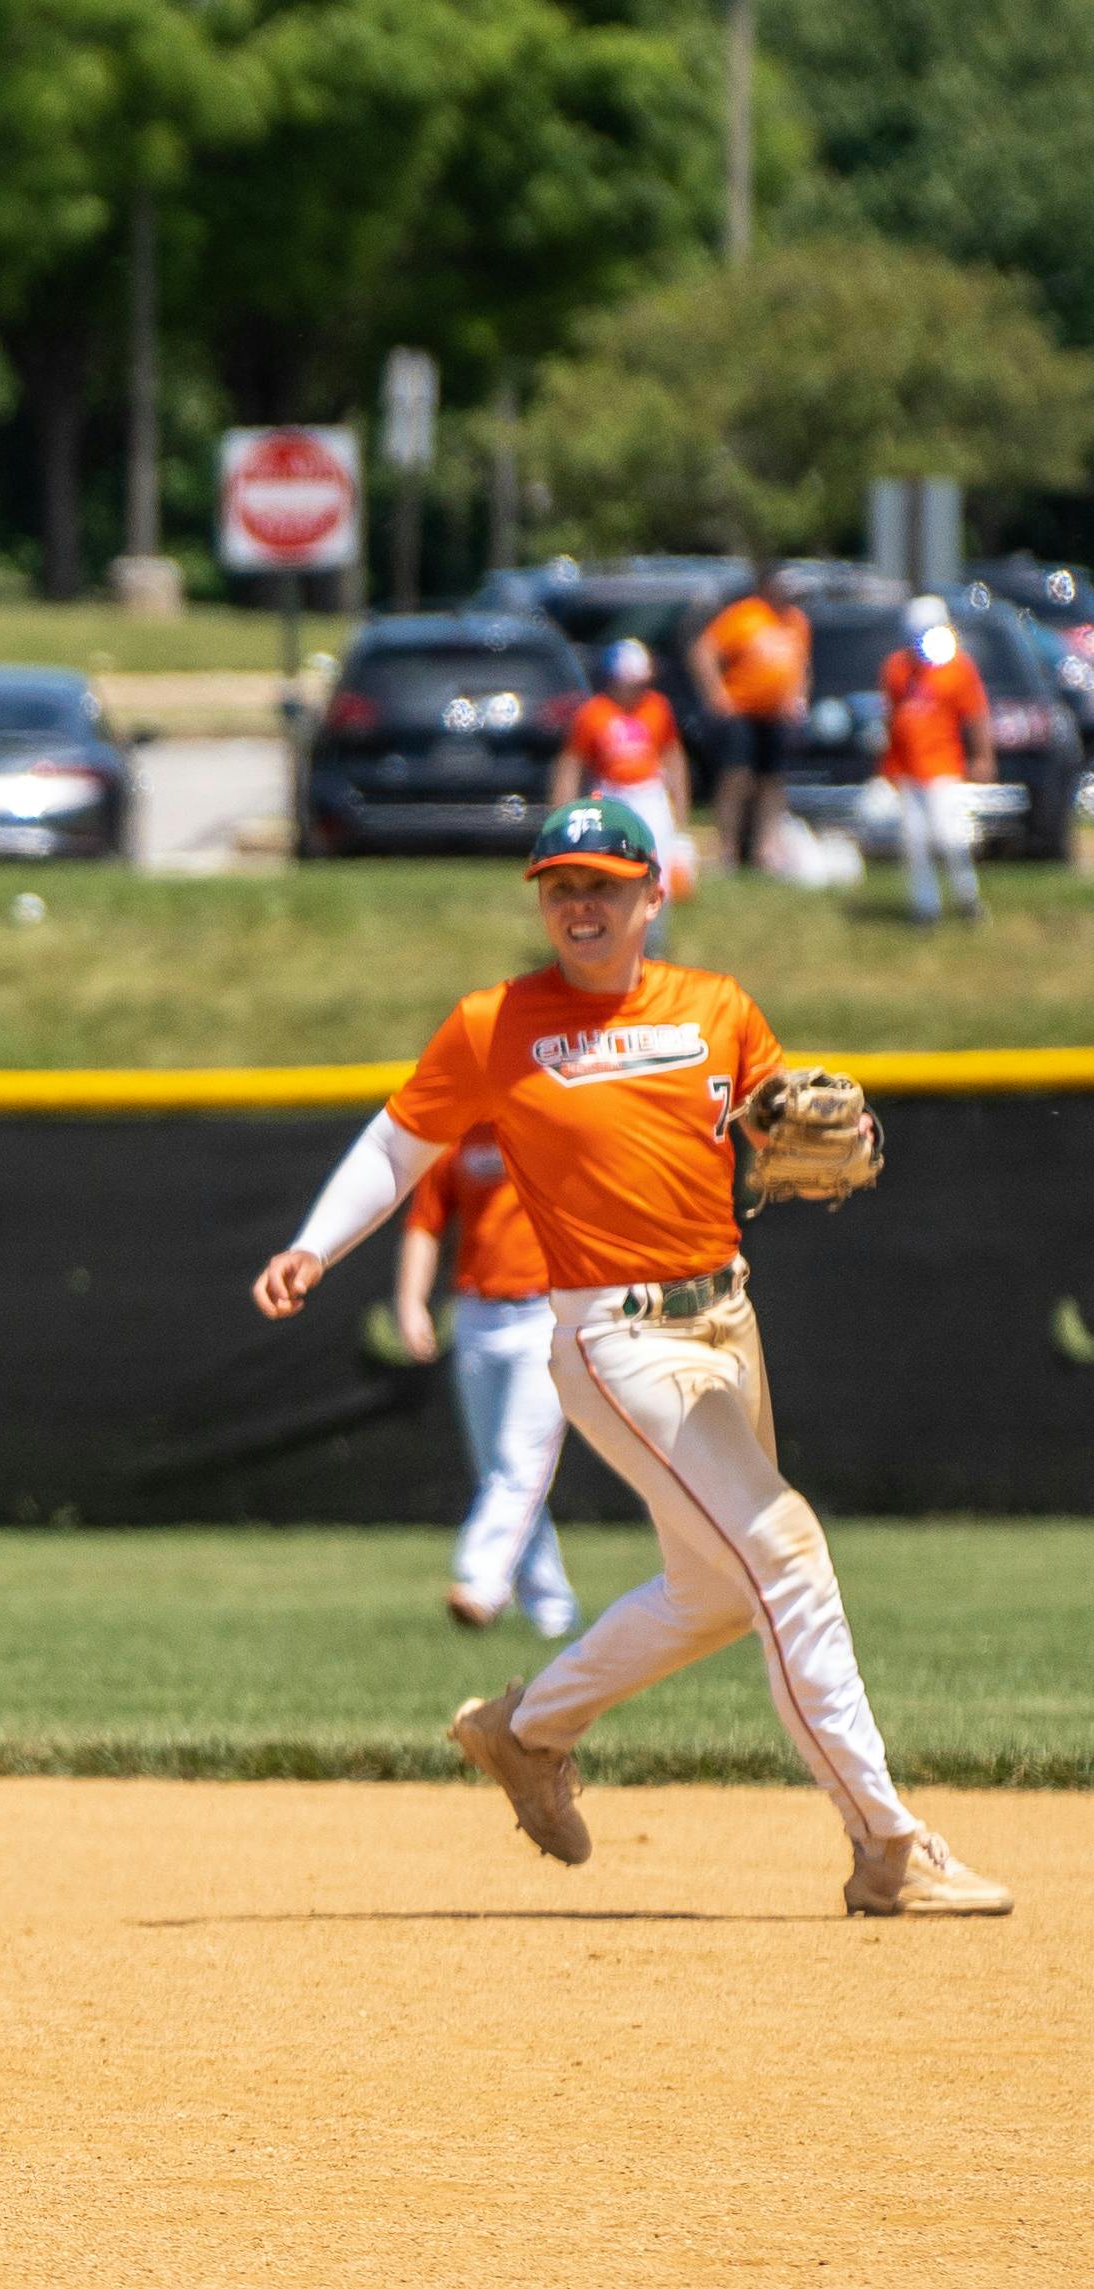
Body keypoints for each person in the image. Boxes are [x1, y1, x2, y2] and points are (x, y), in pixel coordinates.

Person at [250, 796, 1009, 1916]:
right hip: (615, 1339)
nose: (579, 903)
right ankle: (885, 1846)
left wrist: (839, 1140)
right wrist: (313, 1244)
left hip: (724, 1321)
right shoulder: (492, 1024)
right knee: (784, 1554)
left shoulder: (716, 1009)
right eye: (559, 885)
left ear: (653, 894)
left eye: (603, 882)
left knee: (711, 1591)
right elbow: (396, 1147)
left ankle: (525, 1731)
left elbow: (783, 1124)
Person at [393, 1129, 577, 1640]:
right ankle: (554, 1610)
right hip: (477, 1314)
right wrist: (411, 1301)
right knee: (499, 1471)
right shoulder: (456, 1137)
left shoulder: (552, 1124)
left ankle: (481, 1583)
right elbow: (425, 1223)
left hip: (547, 1310)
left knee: (519, 1461)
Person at [550, 638, 694, 904]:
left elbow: (673, 757)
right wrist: (562, 816)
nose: (637, 688)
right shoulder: (593, 713)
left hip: (650, 793)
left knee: (656, 864)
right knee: (611, 865)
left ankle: (652, 932)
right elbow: (571, 765)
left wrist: (680, 811)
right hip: (611, 794)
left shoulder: (658, 706)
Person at [879, 595, 994, 927]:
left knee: (950, 835)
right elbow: (892, 716)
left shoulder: (958, 668)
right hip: (907, 767)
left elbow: (975, 715)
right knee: (914, 840)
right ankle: (924, 907)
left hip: (943, 764)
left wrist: (982, 756)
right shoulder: (896, 668)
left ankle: (966, 897)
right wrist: (887, 761)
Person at [688, 562, 810, 872]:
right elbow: (703, 651)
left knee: (772, 780)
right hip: (741, 711)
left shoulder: (797, 622)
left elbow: (801, 666)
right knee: (736, 777)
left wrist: (798, 698)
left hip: (776, 714)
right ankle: (727, 849)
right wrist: (717, 694)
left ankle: (765, 848)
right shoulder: (745, 615)